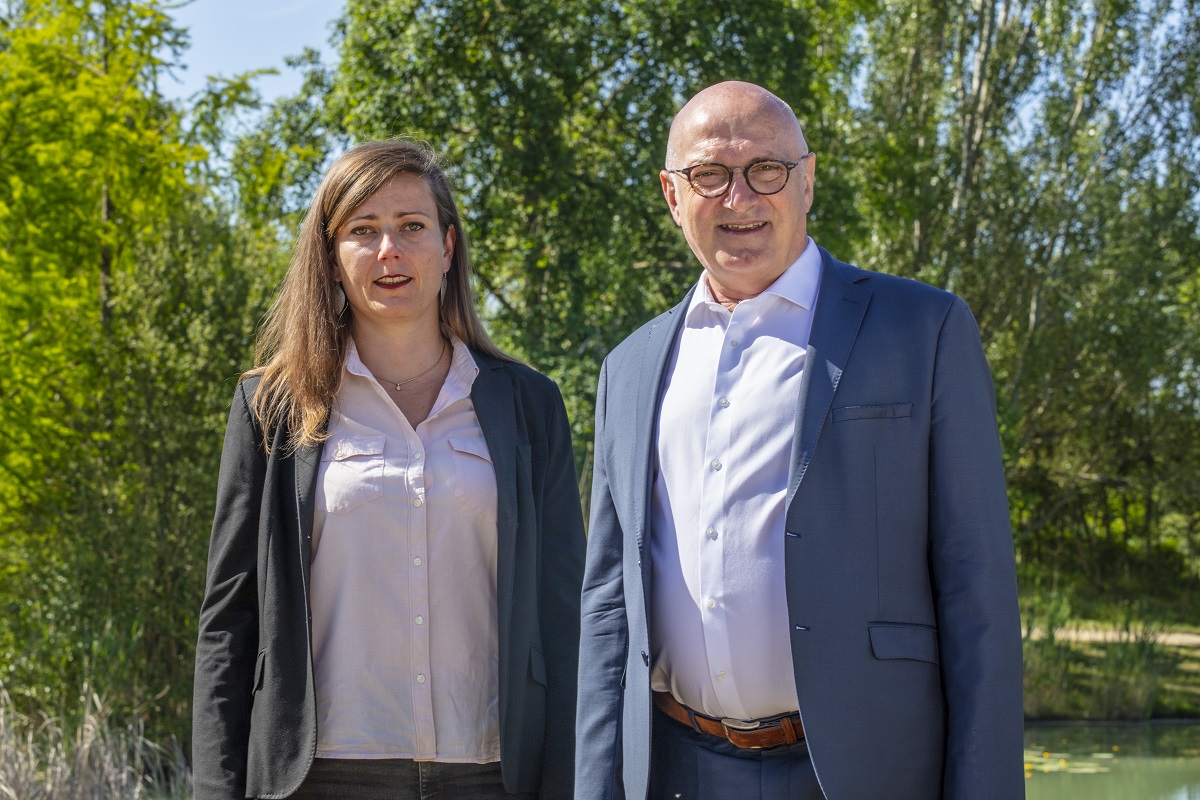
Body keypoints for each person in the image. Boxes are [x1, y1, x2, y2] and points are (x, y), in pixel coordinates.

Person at [575, 81, 1024, 800]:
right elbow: (607, 607)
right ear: (670, 195)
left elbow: (979, 596)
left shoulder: (922, 329)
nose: (739, 198)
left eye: (767, 171)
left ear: (808, 180)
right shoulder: (627, 368)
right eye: (709, 175)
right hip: (677, 771)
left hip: (868, 769)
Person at [192, 139, 585, 800]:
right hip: (320, 774)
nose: (388, 251)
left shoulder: (528, 406)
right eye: (363, 231)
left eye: (411, 227)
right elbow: (229, 620)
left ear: (449, 246)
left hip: (491, 771)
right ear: (331, 255)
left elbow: (564, 614)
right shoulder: (274, 407)